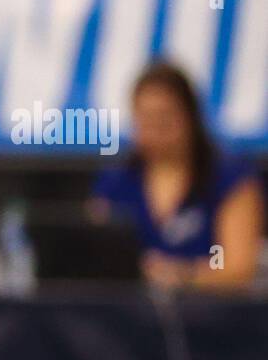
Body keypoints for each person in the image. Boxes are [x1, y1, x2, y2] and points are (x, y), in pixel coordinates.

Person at [91, 63, 264, 291]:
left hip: (213, 316)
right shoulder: (116, 182)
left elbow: (237, 268)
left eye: (163, 120)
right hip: (129, 316)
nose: (154, 133)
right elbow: (92, 255)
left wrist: (183, 274)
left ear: (190, 117)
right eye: (145, 121)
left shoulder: (229, 179)